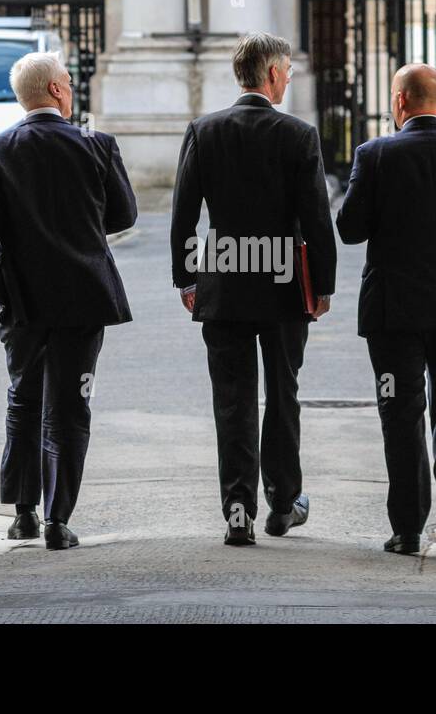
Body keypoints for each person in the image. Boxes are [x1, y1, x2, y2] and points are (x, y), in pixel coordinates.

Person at [0, 51, 136, 551]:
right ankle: (59, 520)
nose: (72, 91)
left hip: (22, 300)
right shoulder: (96, 144)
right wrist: (82, 225)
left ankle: (23, 514)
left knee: (23, 398)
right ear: (56, 90)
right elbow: (124, 214)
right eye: (69, 83)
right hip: (84, 295)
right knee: (71, 404)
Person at [170, 32, 337, 546]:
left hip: (224, 284)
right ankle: (283, 504)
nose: (289, 78)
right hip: (284, 283)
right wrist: (323, 286)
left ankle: (238, 508)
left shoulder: (204, 130)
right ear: (271, 74)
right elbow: (317, 218)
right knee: (283, 394)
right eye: (287, 71)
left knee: (232, 400)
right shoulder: (298, 135)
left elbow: (183, 216)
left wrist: (187, 277)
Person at [335, 63, 436, 555]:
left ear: (400, 101)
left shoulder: (374, 154)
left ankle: (407, 529)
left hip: (394, 307)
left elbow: (349, 229)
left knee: (400, 412)